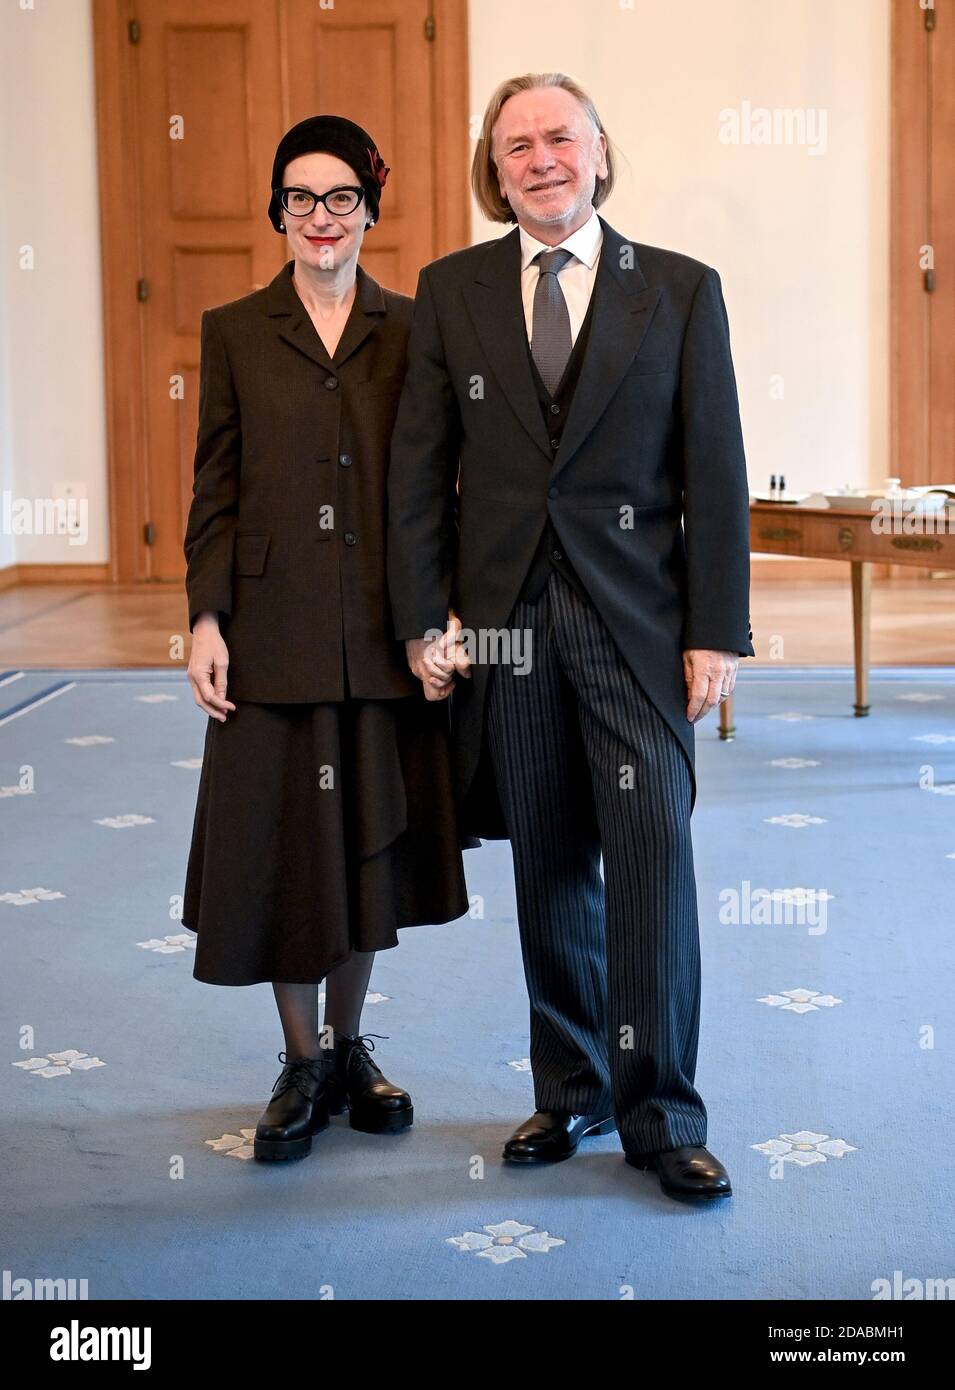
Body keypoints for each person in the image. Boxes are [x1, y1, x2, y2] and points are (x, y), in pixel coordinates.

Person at [387, 74, 754, 1201]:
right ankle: (574, 1088)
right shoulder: (451, 292)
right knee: (548, 865)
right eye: (515, 146)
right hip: (503, 633)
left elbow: (714, 473)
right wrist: (420, 618)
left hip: (636, 629)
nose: (539, 158)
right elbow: (415, 470)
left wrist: (715, 633)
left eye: (558, 137)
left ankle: (661, 1112)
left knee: (648, 863)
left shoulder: (681, 291)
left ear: (598, 151)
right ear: (492, 171)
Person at [181, 115, 470, 1163]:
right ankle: (301, 1059)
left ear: (369, 207)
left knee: (362, 850)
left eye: (340, 195)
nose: (319, 216)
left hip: (381, 632)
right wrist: (204, 616)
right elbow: (215, 485)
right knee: (285, 857)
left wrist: (437, 618)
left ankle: (351, 1047)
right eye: (299, 197)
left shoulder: (413, 323)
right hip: (271, 633)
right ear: (277, 211)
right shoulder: (234, 328)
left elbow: (439, 486)